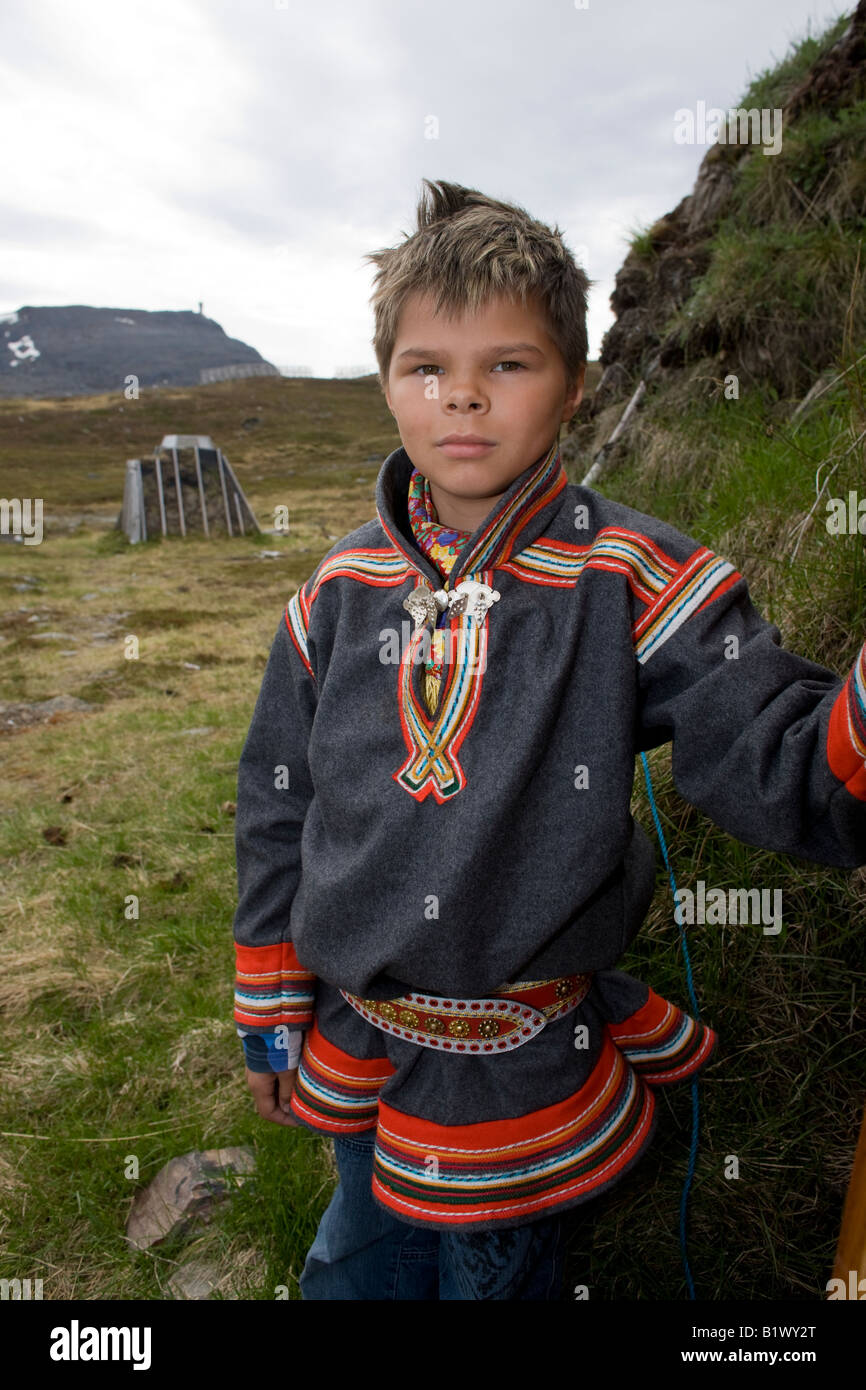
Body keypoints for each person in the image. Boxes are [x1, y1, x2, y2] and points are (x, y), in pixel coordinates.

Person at [232, 178, 866, 1301]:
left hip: (515, 1069)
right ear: (387, 382)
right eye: (426, 367)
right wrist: (273, 1003)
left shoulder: (628, 578)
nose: (460, 399)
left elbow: (771, 747)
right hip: (357, 1034)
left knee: (497, 1280)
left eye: (506, 366)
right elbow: (279, 799)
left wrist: (847, 734)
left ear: (572, 386)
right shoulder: (335, 592)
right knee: (354, 1263)